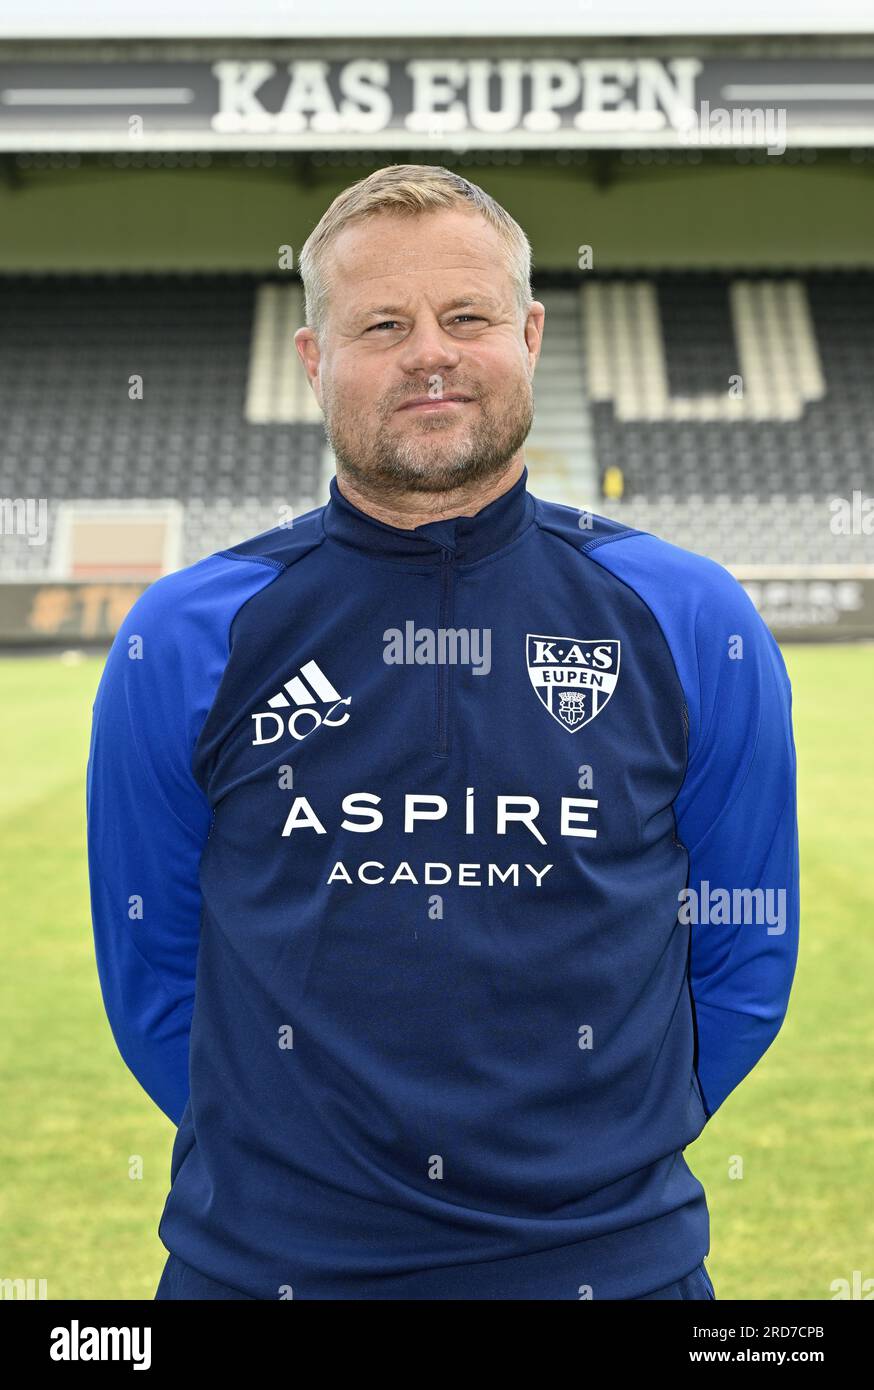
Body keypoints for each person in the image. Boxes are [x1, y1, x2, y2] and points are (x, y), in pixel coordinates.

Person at [86, 164, 798, 1301]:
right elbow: (155, 971)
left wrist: (589, 1164)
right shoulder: (186, 634)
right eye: (383, 323)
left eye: (466, 317)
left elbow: (743, 950)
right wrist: (315, 1177)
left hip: (609, 1270)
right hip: (267, 1273)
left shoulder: (687, 615)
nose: (431, 351)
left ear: (528, 334)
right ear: (316, 360)